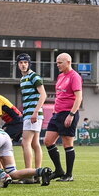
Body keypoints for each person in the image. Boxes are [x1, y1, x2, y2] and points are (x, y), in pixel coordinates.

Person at [43, 52, 83, 182]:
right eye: (57, 62)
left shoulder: (75, 76)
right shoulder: (60, 76)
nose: (57, 65)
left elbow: (79, 98)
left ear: (68, 62)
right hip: (57, 114)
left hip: (68, 113)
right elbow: (60, 96)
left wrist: (71, 114)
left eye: (60, 62)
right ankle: (59, 170)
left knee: (67, 143)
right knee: (48, 141)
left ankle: (69, 174)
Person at [17, 52, 48, 178]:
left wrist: (35, 111)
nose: (23, 65)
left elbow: (43, 94)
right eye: (21, 63)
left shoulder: (33, 76)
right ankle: (37, 173)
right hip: (30, 114)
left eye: (25, 62)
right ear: (17, 64)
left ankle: (29, 174)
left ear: (29, 63)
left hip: (33, 114)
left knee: (25, 143)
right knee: (35, 143)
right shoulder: (22, 79)